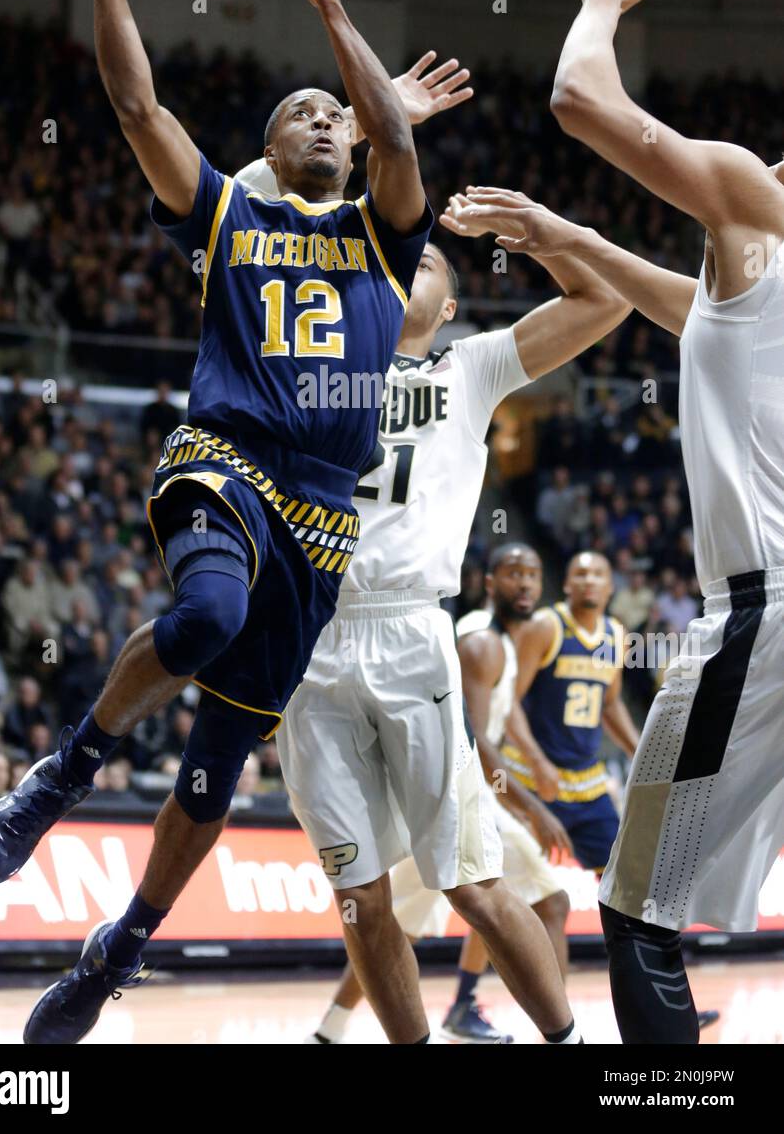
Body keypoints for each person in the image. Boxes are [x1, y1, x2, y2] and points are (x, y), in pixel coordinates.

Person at [0, 0, 462, 1047]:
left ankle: (116, 949)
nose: (329, 121)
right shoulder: (230, 217)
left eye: (337, 113)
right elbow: (139, 110)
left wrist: (343, 31)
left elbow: (392, 138)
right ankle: (65, 771)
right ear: (265, 147)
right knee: (198, 617)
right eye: (305, 111)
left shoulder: (387, 246)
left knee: (212, 765)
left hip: (324, 518)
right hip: (223, 457)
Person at [448, 0, 775, 1042]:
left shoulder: (750, 203)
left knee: (635, 912)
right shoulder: (750, 289)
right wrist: (560, 232)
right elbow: (681, 310)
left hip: (762, 617)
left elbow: (580, 102)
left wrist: (599, 2)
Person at [277, 188, 631, 1045]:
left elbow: (607, 299)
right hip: (308, 634)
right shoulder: (304, 362)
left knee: (471, 884)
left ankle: (568, 1040)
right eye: (397, 260)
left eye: (427, 262)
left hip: (408, 630)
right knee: (360, 896)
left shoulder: (468, 368)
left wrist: (534, 232)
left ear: (454, 304)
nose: (409, 269)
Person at [304, 543, 573, 1045]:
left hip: (438, 779)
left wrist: (535, 760)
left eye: (534, 575)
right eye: (514, 574)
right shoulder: (480, 643)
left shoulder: (505, 643)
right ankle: (533, 1023)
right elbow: (472, 732)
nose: (526, 585)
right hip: (456, 779)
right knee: (544, 901)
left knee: (405, 919)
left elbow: (503, 714)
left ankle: (330, 1030)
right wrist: (532, 805)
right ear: (489, 584)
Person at [501, 551, 637, 875]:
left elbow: (611, 704)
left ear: (610, 587)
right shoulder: (545, 626)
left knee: (621, 881)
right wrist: (538, 762)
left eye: (598, 574)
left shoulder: (616, 635)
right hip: (532, 778)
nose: (589, 580)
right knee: (524, 896)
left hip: (587, 783)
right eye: (580, 574)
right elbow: (508, 701)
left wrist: (639, 750)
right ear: (565, 584)